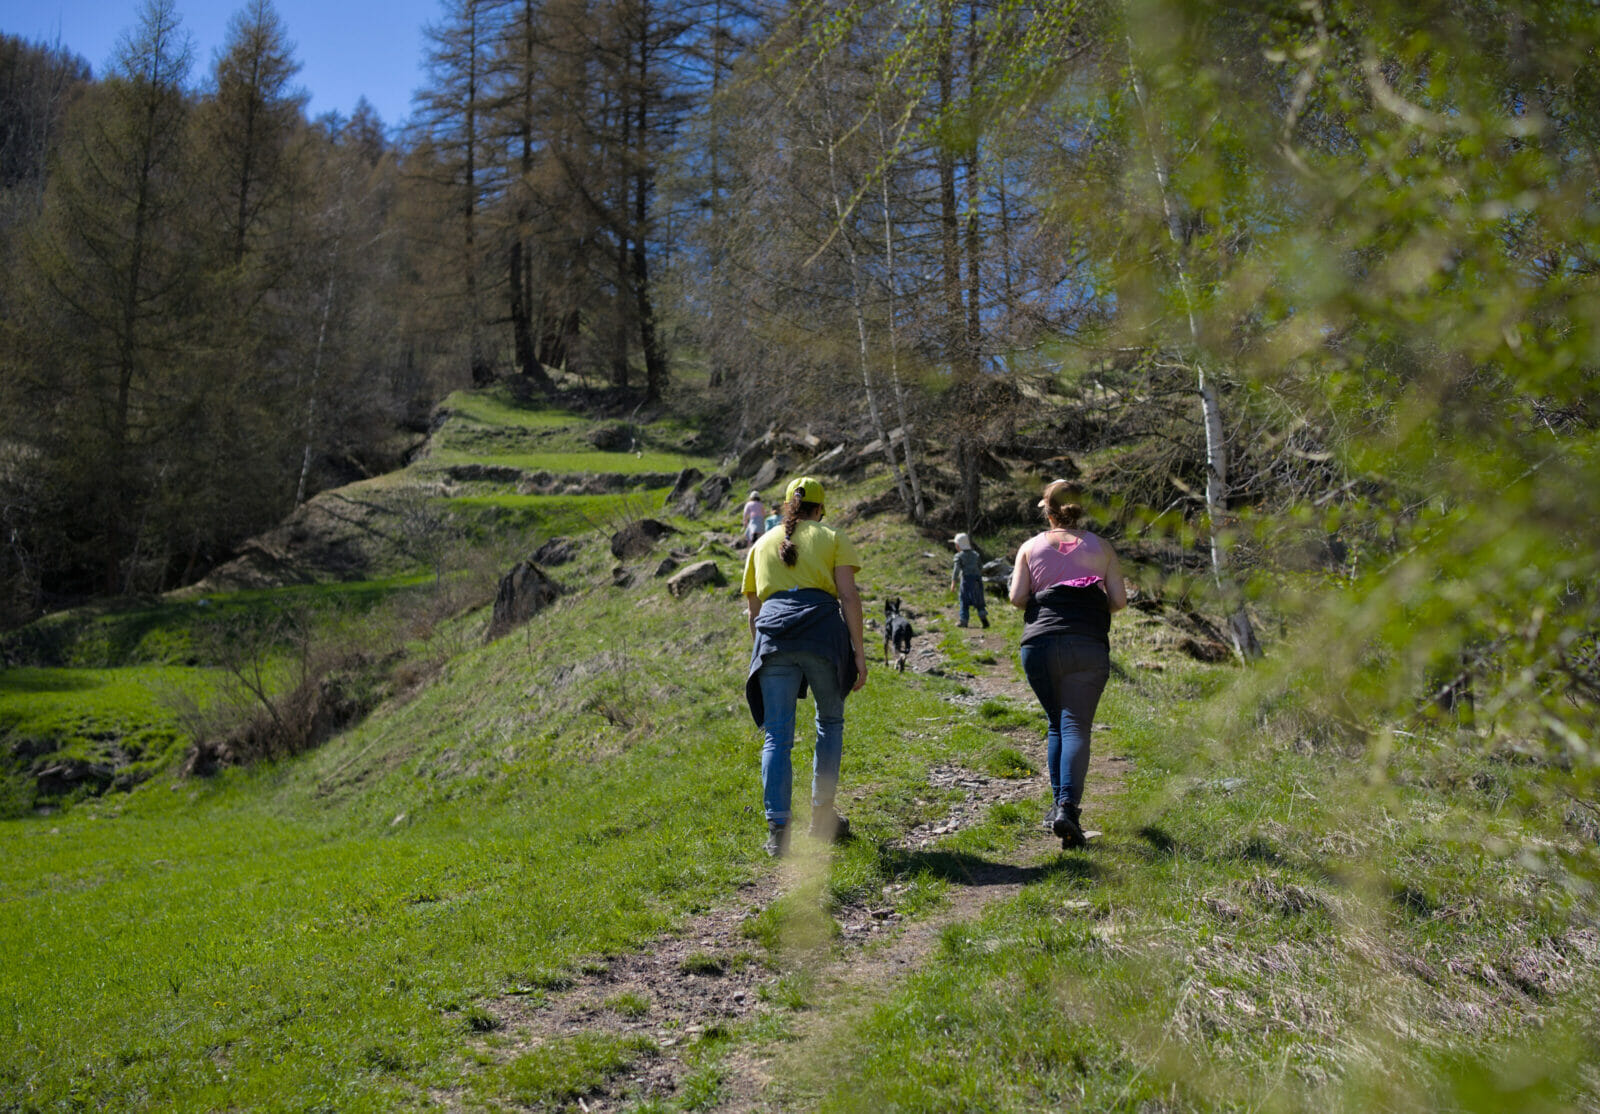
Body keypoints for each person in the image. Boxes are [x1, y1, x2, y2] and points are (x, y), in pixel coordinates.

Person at [743, 476, 867, 857]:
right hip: (823, 637)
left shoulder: (761, 544)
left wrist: (764, 654)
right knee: (829, 722)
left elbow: (753, 613)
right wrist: (859, 654)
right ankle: (822, 819)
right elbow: (848, 595)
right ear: (820, 507)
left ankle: (777, 832)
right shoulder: (832, 537)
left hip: (774, 639)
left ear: (785, 505)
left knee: (776, 736)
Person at [1009, 480, 1127, 849]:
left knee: (1056, 722)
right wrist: (1088, 607)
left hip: (1040, 644)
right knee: (1075, 724)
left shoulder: (1030, 547)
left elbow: (1017, 597)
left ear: (1048, 510)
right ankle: (1067, 809)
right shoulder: (1101, 547)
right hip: (1087, 644)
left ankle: (1059, 807)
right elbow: (1119, 601)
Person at [950, 532, 989, 628]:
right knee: (979, 601)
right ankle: (984, 620)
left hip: (966, 581)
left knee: (964, 600)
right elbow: (981, 567)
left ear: (958, 545)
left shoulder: (959, 556)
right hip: (977, 580)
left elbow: (956, 570)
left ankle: (964, 621)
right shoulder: (976, 555)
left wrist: (953, 583)